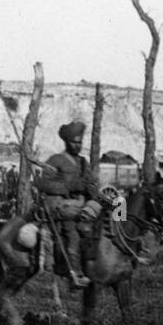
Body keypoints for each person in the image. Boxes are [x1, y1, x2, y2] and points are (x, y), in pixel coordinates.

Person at [35, 121, 102, 288]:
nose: (77, 146)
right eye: (74, 142)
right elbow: (43, 183)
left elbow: (91, 182)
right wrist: (68, 187)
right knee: (73, 234)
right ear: (66, 142)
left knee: (107, 219)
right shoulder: (55, 160)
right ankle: (75, 273)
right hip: (62, 206)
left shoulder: (83, 162)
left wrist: (92, 187)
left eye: (80, 142)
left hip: (81, 204)